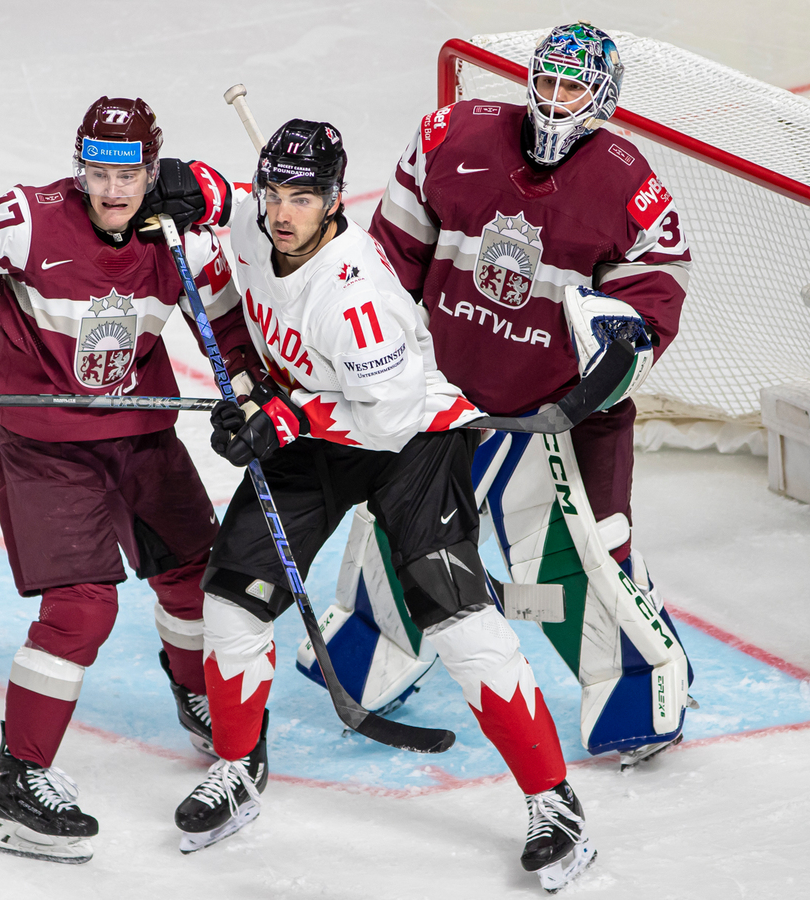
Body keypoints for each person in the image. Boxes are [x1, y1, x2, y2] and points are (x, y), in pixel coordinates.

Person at [171, 118, 595, 892]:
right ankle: (238, 769)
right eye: (275, 192)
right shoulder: (255, 221)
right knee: (232, 596)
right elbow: (217, 208)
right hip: (315, 430)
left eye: (304, 197)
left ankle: (553, 802)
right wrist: (186, 180)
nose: (283, 212)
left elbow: (388, 417)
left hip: (412, 441)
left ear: (336, 202)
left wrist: (284, 416)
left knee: (456, 613)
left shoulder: (356, 296)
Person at [307, 22, 698, 770]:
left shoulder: (631, 188)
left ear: (602, 98)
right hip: (444, 395)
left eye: (571, 88)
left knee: (563, 567)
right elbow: (390, 259)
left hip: (556, 416)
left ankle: (638, 680)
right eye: (545, 82)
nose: (552, 102)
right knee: (402, 535)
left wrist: (600, 377)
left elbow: (648, 309)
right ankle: (380, 641)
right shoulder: (453, 136)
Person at [0, 96, 259, 864]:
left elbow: (227, 328)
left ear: (152, 171)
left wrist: (254, 396)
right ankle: (18, 785)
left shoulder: (182, 236)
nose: (113, 191)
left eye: (129, 175)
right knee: (82, 609)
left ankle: (194, 694)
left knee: (196, 571)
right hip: (44, 446)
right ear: (79, 165)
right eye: (97, 171)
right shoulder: (25, 218)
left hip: (142, 434)